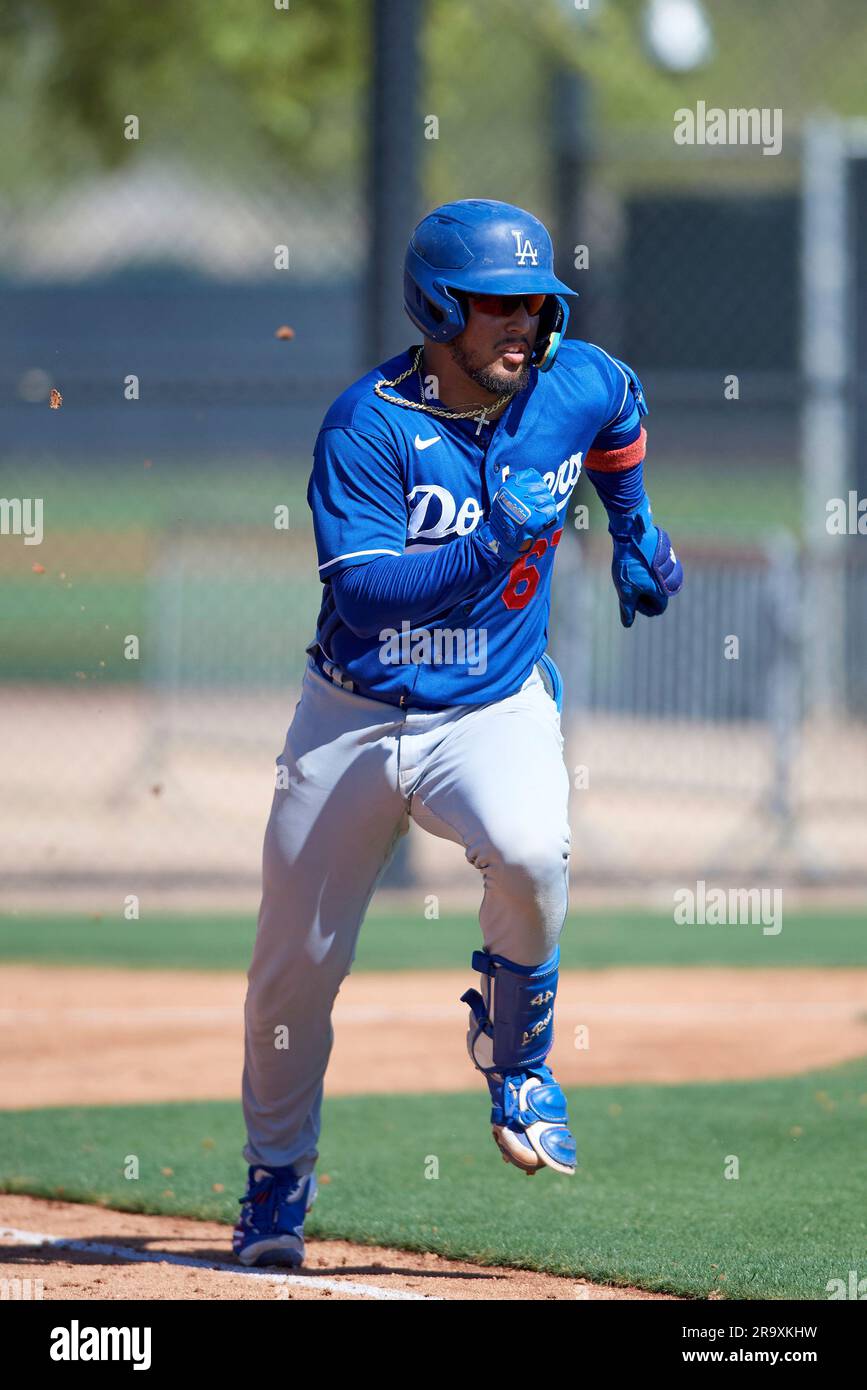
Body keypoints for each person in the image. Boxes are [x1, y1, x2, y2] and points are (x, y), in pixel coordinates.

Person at [232, 199, 683, 1267]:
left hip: (493, 703)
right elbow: (368, 596)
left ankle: (520, 1061)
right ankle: (276, 1183)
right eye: (494, 305)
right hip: (352, 712)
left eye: (533, 301)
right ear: (437, 307)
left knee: (532, 851)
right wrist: (495, 549)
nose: (521, 323)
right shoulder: (369, 426)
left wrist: (635, 531)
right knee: (291, 976)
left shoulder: (571, 380)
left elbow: (617, 414)